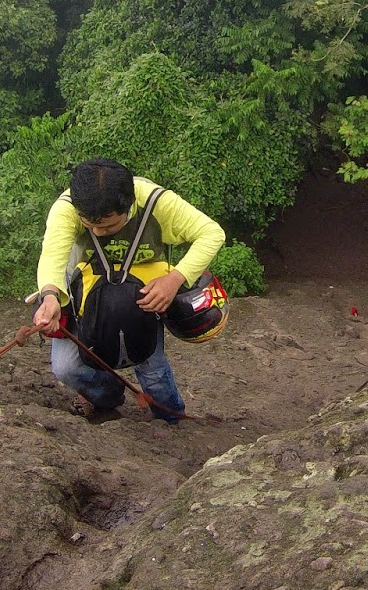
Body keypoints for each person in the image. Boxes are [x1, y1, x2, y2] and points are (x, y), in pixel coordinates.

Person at [26, 157, 224, 421]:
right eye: (90, 225)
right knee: (67, 367)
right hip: (87, 295)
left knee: (152, 368)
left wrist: (175, 278)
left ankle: (172, 419)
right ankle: (107, 395)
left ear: (129, 205)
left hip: (140, 297)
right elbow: (53, 255)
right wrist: (50, 295)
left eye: (108, 226)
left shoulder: (155, 202)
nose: (99, 232)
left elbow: (211, 234)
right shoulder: (67, 208)